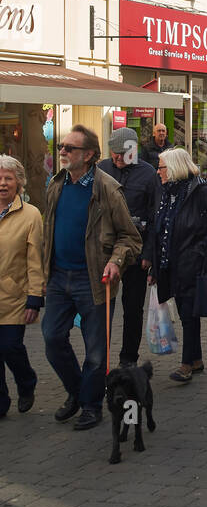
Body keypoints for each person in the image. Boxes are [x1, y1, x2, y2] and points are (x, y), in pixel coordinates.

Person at [42, 124, 141, 430]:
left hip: (93, 279)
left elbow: (130, 238)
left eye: (69, 148)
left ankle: (91, 405)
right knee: (51, 337)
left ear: (87, 155)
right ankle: (77, 391)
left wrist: (115, 261)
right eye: (61, 147)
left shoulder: (107, 188)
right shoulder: (56, 184)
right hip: (59, 277)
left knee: (96, 351)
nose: (62, 152)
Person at [151, 148, 207, 385]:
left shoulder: (201, 191)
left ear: (174, 168)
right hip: (170, 263)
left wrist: (200, 248)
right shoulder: (167, 193)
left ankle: (187, 364)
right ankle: (195, 360)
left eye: (161, 167)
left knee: (188, 312)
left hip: (192, 263)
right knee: (187, 312)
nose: (158, 172)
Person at [97, 127, 160, 367]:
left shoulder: (147, 174)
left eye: (122, 154)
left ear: (133, 151)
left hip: (136, 252)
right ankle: (99, 358)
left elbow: (155, 217)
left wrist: (149, 253)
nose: (117, 158)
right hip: (106, 251)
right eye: (114, 153)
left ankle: (128, 358)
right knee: (102, 307)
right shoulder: (102, 169)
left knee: (132, 309)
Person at [0, 155, 43, 418]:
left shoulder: (31, 215)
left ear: (19, 182)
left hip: (14, 296)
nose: (3, 183)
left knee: (9, 347)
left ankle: (27, 382)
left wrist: (34, 298)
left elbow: (35, 260)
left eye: (8, 178)